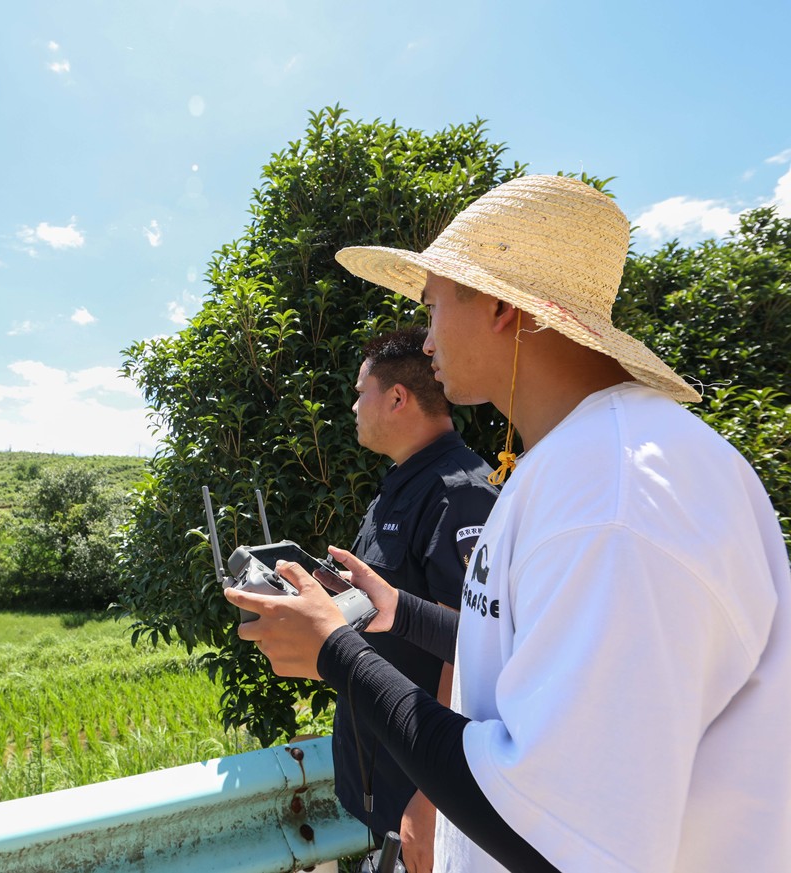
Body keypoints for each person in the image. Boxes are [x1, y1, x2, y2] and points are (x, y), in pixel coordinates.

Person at [225, 175, 791, 872]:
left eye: (432, 306)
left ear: (499, 305)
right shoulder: (584, 463)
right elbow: (525, 653)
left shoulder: (610, 499)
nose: (426, 339)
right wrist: (399, 610)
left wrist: (335, 652)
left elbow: (549, 834)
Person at [334, 327, 497, 873]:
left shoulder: (460, 492)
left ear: (397, 398)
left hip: (420, 796)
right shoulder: (402, 482)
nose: (354, 406)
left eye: (361, 392)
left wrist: (434, 800)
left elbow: (467, 653)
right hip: (382, 777)